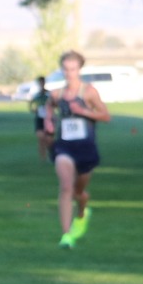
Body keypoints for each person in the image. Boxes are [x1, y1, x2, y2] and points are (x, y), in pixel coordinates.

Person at [40, 51, 111, 248]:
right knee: (66, 187)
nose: (69, 73)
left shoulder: (88, 92)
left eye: (73, 69)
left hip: (86, 148)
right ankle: (66, 234)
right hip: (64, 147)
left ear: (79, 69)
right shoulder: (57, 94)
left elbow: (106, 116)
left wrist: (83, 112)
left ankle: (82, 210)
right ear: (61, 69)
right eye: (66, 69)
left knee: (79, 192)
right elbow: (48, 108)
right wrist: (49, 121)